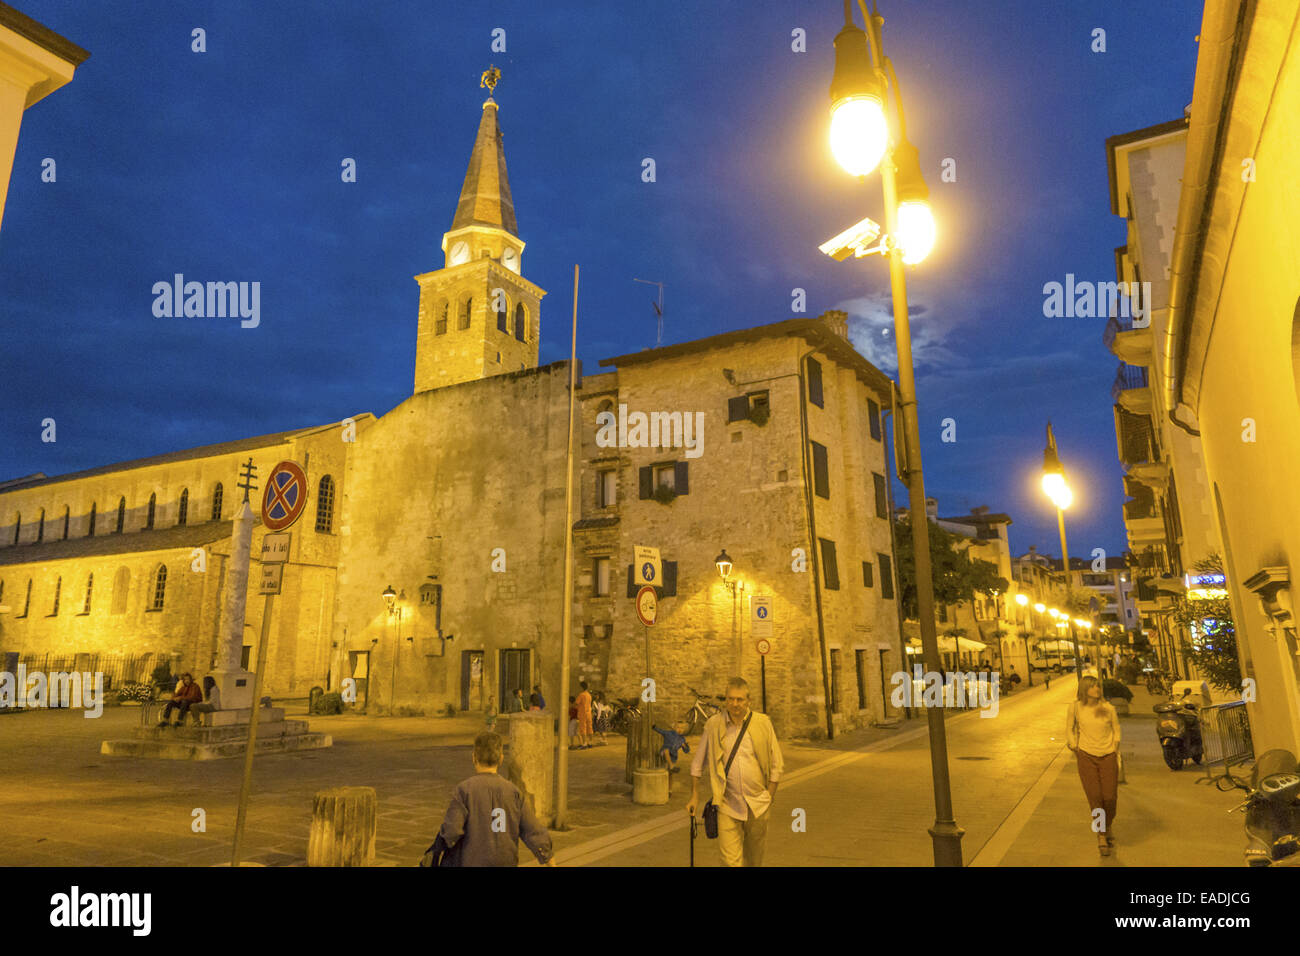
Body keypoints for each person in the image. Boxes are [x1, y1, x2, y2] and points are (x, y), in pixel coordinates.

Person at [686, 677, 784, 868]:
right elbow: (698, 763)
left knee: (754, 861)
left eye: (739, 699)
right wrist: (694, 796)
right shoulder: (714, 725)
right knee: (730, 863)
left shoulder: (763, 723)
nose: (734, 704)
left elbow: (776, 763)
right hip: (727, 804)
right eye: (730, 699)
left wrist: (769, 795)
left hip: (758, 805)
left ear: (748, 701)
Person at [436, 732, 555, 867]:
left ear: (474, 757)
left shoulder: (464, 790)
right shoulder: (513, 792)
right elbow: (533, 831)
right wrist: (550, 860)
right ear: (501, 759)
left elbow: (452, 830)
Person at [1067, 674, 1121, 856]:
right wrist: (1073, 744)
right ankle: (1101, 834)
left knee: (1110, 797)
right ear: (1084, 690)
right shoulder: (1075, 708)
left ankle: (1108, 825)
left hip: (1107, 756)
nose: (1097, 689)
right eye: (1093, 686)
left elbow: (1116, 730)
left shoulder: (1108, 708)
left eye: (1098, 686)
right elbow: (1069, 727)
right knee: (1095, 797)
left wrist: (1114, 748)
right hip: (1086, 756)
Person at [575, 680, 593, 749]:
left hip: (582, 713)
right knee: (590, 727)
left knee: (583, 728)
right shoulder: (589, 695)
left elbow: (577, 703)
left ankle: (584, 743)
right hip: (589, 713)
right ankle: (590, 742)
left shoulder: (581, 695)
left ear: (581, 687)